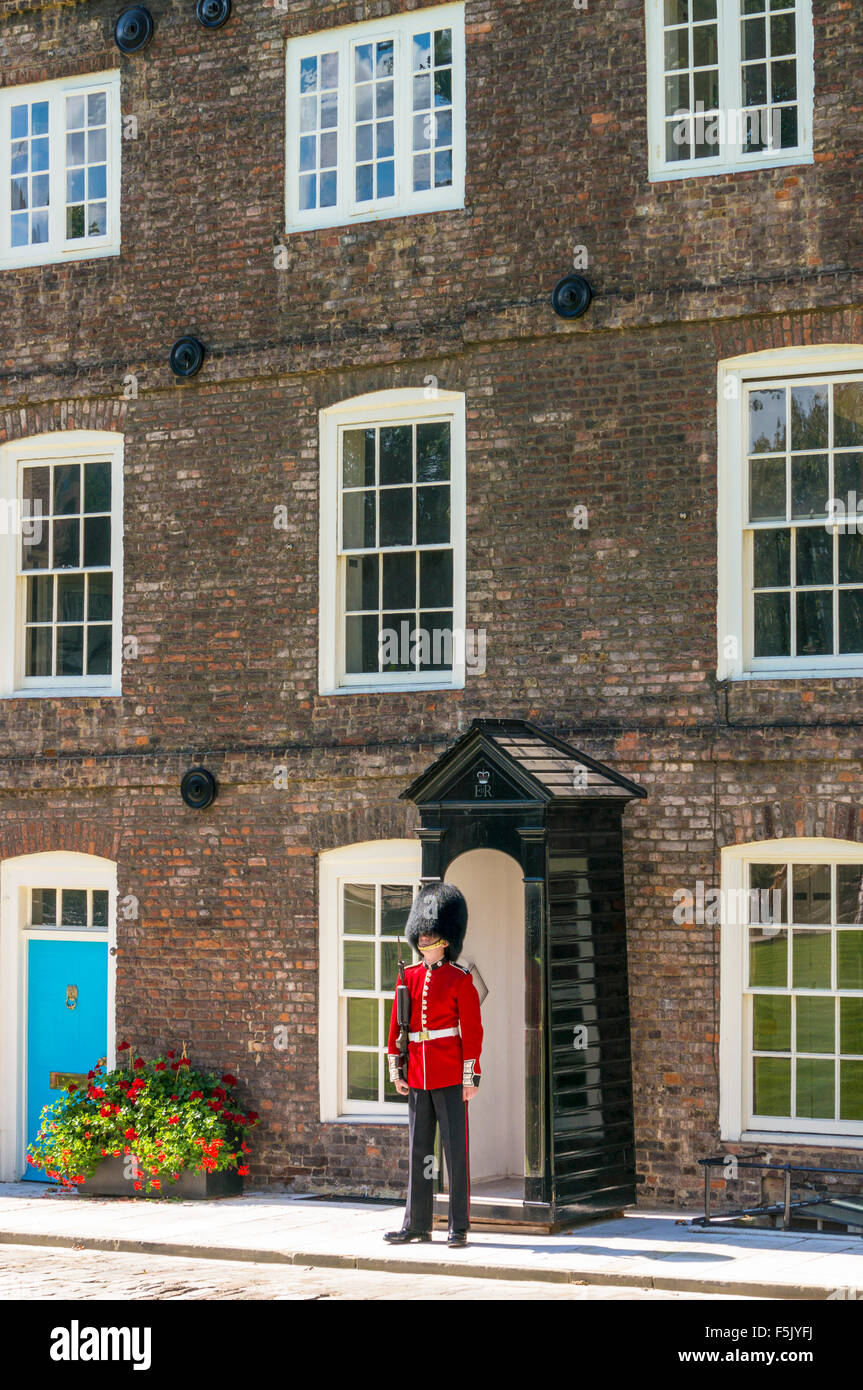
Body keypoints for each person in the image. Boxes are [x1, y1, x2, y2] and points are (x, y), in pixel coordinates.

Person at [384, 882, 483, 1249]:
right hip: (418, 1075)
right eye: (421, 940)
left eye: (431, 939)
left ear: (446, 941)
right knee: (418, 1150)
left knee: (455, 1152)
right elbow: (396, 1026)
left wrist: (470, 1075)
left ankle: (459, 1226)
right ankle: (416, 1224)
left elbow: (472, 1031)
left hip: (449, 1073)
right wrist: (397, 1070)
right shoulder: (407, 978)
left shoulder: (460, 979)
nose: (424, 944)